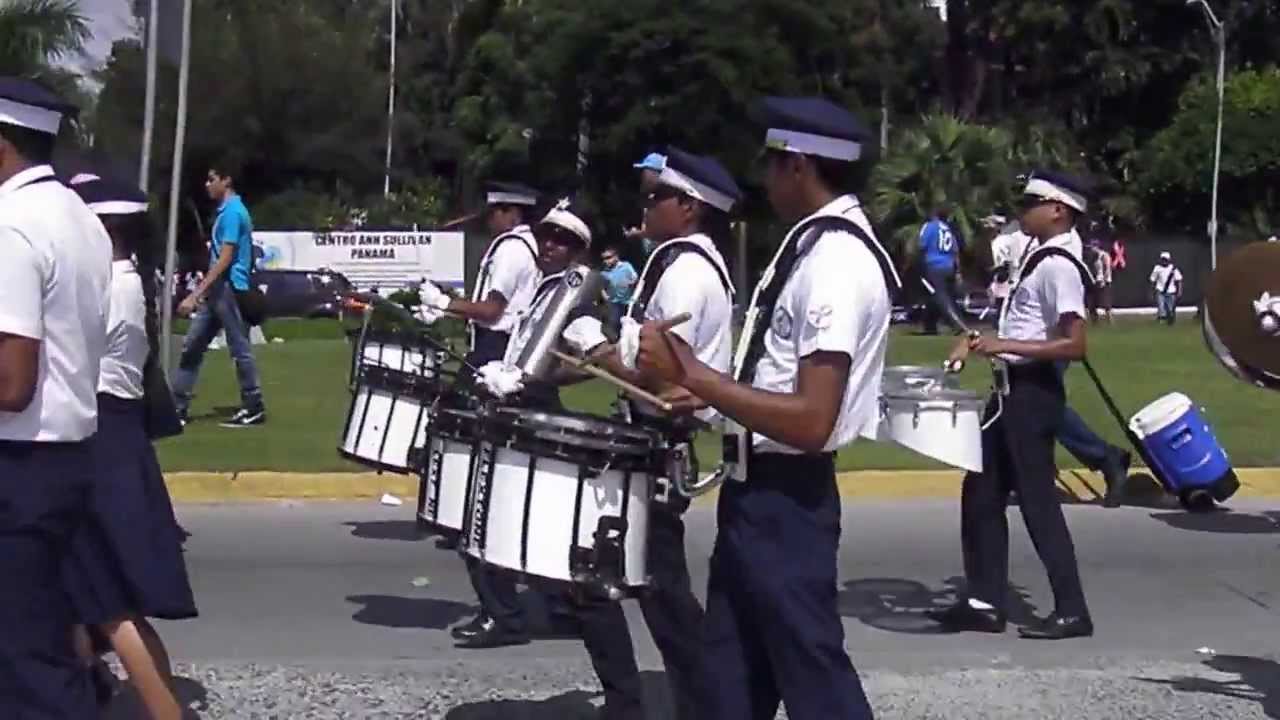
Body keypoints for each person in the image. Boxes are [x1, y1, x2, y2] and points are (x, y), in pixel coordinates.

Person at [637, 96, 900, 720]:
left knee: (816, 683)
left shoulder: (835, 262)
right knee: (730, 682)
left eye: (772, 162)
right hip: (755, 498)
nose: (763, 177)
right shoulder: (814, 248)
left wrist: (693, 371)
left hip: (787, 505)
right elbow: (777, 380)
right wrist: (704, 392)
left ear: (799, 166)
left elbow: (811, 419)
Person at [559, 147, 740, 720]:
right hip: (646, 440)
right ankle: (652, 701)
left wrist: (598, 352)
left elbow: (664, 379)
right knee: (628, 583)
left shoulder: (686, 272)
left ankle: (698, 702)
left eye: (657, 196)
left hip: (659, 443)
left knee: (656, 592)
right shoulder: (675, 262)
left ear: (688, 207)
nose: (647, 205)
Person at [935, 170, 1096, 641]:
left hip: (1032, 393)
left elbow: (1074, 344)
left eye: (1032, 203)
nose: (1023, 211)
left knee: (1037, 502)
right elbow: (1025, 330)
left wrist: (1003, 344)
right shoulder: (1037, 258)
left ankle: (1072, 609)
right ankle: (984, 601)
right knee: (980, 492)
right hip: (1010, 391)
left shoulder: (1059, 265)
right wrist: (987, 342)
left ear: (1058, 210)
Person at [63, 174, 197, 719]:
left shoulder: (108, 289)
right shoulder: (123, 280)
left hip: (101, 439)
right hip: (114, 436)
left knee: (110, 605)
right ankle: (84, 688)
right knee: (77, 592)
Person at [0, 77, 112, 717]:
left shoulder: (13, 227)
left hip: (19, 469)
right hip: (69, 460)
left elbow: (12, 382)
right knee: (52, 650)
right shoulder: (79, 218)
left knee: (23, 669)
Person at [416, 181, 541, 649]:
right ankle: (534, 605)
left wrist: (446, 304)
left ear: (510, 212)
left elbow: (493, 311)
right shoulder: (520, 247)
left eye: (494, 211)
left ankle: (502, 612)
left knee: (480, 488)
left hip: (497, 355)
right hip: (500, 354)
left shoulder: (511, 250)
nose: (489, 219)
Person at [171, 164, 266, 427]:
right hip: (217, 290)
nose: (207, 184)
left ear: (226, 180)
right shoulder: (225, 213)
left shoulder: (234, 213)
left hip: (229, 288)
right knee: (192, 345)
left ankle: (253, 404)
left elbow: (226, 257)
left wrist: (195, 293)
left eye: (212, 179)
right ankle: (177, 407)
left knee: (239, 348)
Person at [919, 205, 963, 335]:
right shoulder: (948, 229)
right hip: (949, 265)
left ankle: (956, 323)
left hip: (934, 265)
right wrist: (958, 270)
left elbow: (922, 245)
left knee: (940, 296)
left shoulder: (930, 226)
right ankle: (929, 326)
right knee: (932, 295)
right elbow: (955, 250)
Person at [624, 152, 667, 258]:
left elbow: (659, 231)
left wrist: (636, 233)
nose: (641, 176)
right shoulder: (648, 198)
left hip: (662, 255)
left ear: (654, 173)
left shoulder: (664, 199)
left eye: (644, 172)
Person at [599, 246, 637, 335]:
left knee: (631, 325)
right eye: (604, 259)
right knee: (614, 325)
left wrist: (630, 283)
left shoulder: (626, 266)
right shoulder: (604, 273)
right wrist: (605, 296)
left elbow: (635, 278)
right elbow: (601, 287)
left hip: (628, 301)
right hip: (613, 303)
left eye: (609, 258)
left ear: (616, 256)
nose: (606, 261)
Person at [1150, 251, 1183, 325]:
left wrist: (1179, 290)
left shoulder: (1173, 269)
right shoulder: (1157, 268)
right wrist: (1152, 291)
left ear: (1169, 260)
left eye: (1166, 260)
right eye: (1163, 260)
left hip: (1171, 291)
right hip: (1160, 290)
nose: (1164, 261)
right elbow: (1153, 279)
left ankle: (1170, 319)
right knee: (1161, 306)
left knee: (1170, 308)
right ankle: (1162, 319)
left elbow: (1179, 280)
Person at [1088, 238, 1113, 324]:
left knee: (1106, 303)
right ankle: (1095, 322)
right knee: (1092, 303)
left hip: (1104, 282)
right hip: (1096, 281)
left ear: (1096, 247)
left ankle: (1110, 321)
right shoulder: (1094, 257)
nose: (1091, 249)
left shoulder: (1104, 255)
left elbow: (1107, 269)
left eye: (1092, 247)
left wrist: (1104, 280)